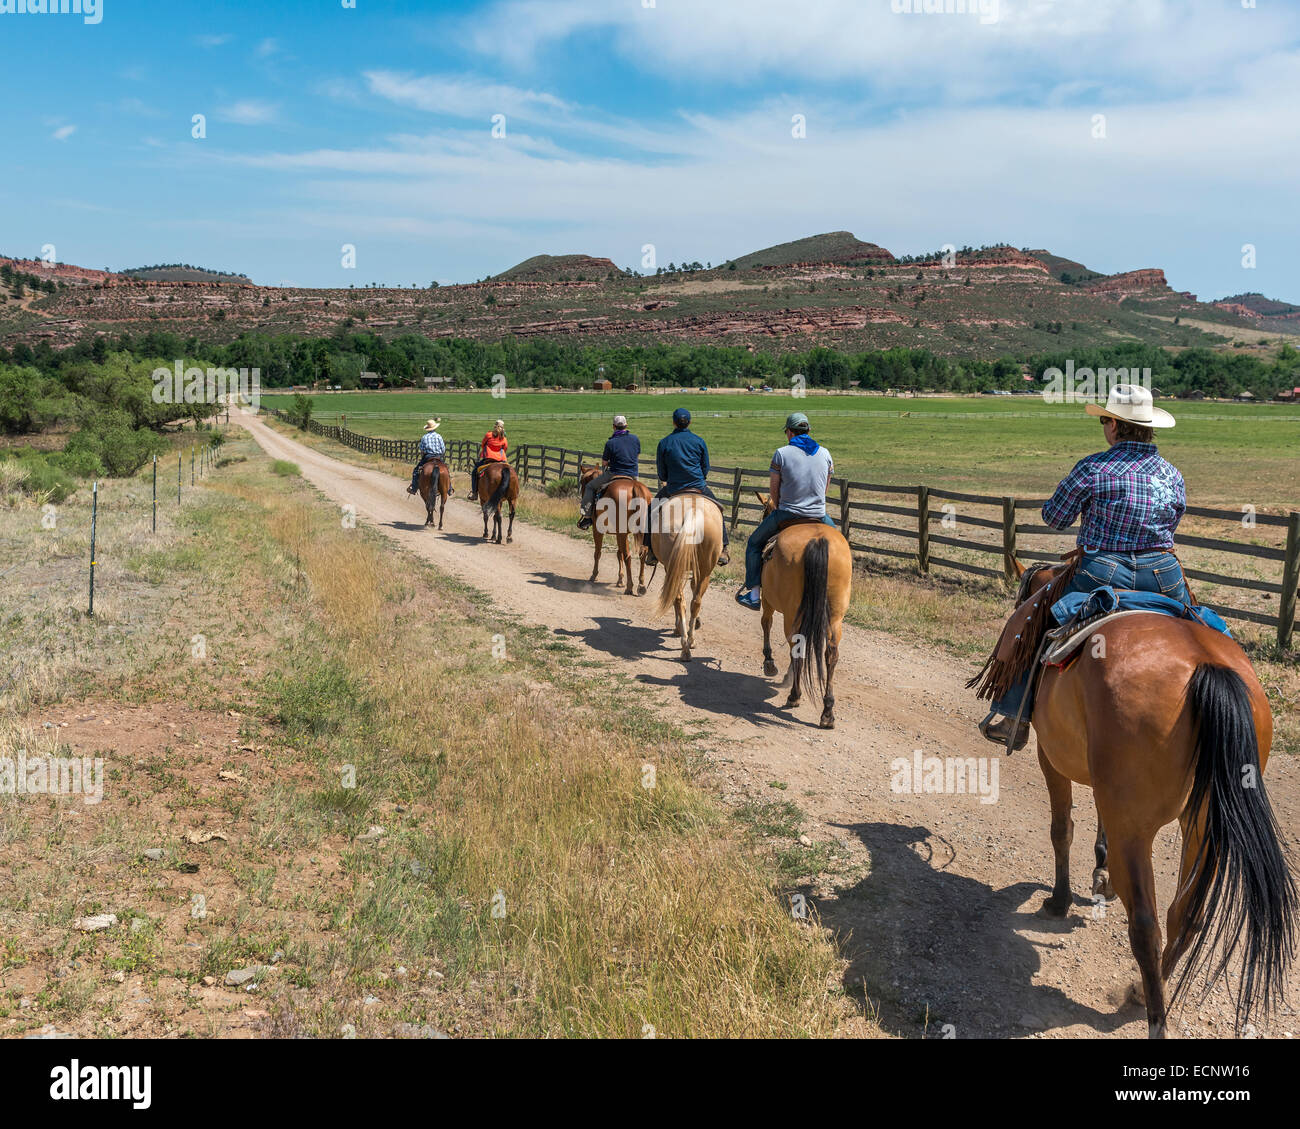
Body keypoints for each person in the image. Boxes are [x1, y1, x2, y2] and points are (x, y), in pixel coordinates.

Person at [980, 384, 1186, 750]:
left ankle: (1014, 717)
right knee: (1201, 625)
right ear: (1150, 427)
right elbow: (1175, 519)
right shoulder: (1172, 473)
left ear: (1113, 424)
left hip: (1101, 572)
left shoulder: (1094, 467)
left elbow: (1054, 517)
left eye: (1106, 419)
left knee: (1032, 622)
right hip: (1164, 574)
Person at [734, 412, 837, 610]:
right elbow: (825, 487)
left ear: (789, 433)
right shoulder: (825, 453)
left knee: (754, 543)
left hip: (788, 512)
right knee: (842, 546)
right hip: (819, 515)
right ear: (809, 431)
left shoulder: (781, 453)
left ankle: (754, 595)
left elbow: (774, 489)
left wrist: (780, 507)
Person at [645, 407, 730, 566]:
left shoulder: (664, 442)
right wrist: (699, 478)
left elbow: (661, 472)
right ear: (689, 422)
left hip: (673, 489)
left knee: (652, 510)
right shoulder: (699, 441)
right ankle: (723, 547)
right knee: (718, 509)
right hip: (698, 487)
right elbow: (705, 467)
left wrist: (667, 478)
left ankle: (650, 550)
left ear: (673, 422)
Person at [577, 414, 641, 530]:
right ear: (626, 425)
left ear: (614, 427)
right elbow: (637, 455)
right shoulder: (635, 439)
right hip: (633, 474)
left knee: (590, 487)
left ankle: (587, 517)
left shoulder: (610, 443)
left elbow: (604, 463)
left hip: (615, 473)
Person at [407, 418, 449, 495]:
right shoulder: (439, 436)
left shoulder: (424, 437)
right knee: (446, 469)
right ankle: (449, 488)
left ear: (428, 428)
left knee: (416, 471)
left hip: (428, 457)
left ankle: (414, 488)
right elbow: (443, 449)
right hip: (438, 457)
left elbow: (422, 449)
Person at [470, 419, 508, 499]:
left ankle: (474, 493)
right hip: (501, 460)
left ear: (494, 426)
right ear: (503, 428)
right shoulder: (504, 438)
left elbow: (483, 445)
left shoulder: (488, 435)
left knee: (474, 472)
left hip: (489, 459)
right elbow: (505, 448)